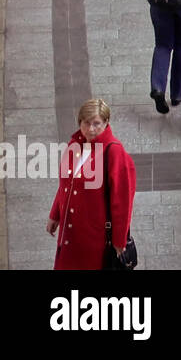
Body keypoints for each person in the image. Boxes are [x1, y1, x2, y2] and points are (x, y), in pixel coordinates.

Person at [48, 99, 136, 270]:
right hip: (70, 233)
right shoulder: (74, 145)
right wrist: (55, 214)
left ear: (106, 123)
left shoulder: (114, 152)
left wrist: (119, 240)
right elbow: (67, 183)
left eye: (96, 124)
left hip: (95, 239)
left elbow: (123, 202)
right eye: (86, 123)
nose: (91, 129)